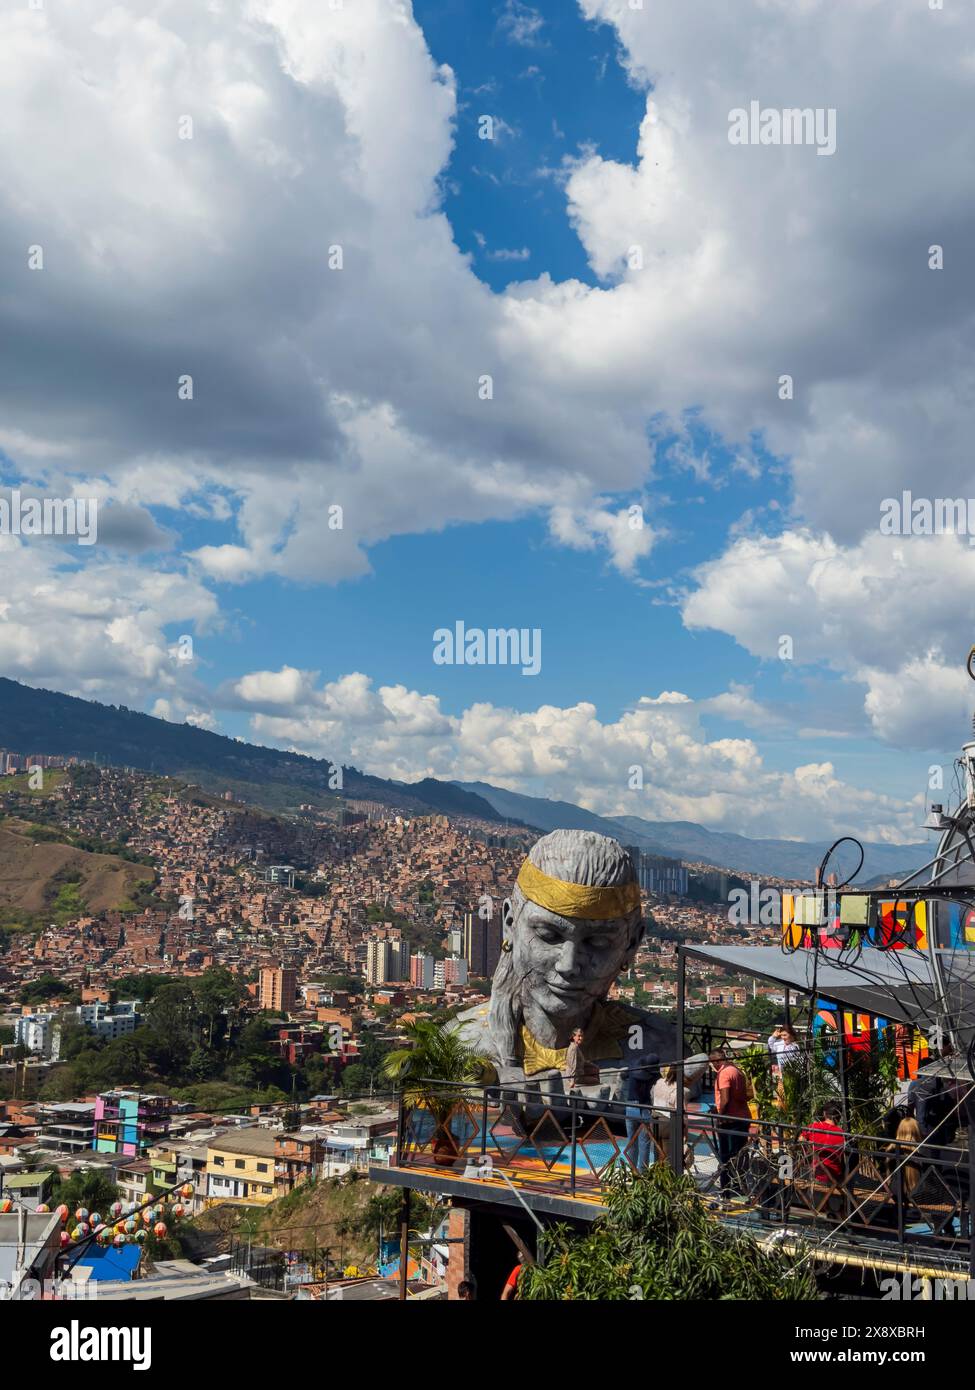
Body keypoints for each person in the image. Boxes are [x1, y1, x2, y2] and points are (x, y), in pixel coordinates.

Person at [709, 1049, 751, 1196]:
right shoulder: (737, 1070)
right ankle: (741, 1186)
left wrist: (720, 1117)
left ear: (716, 1061)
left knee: (725, 1157)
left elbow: (725, 1098)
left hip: (730, 1120)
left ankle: (726, 1189)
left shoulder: (724, 1073)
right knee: (739, 1154)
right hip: (742, 1117)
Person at [621, 1054, 659, 1170]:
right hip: (645, 1107)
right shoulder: (654, 1075)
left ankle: (632, 1169)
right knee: (644, 1141)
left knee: (631, 1140)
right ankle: (643, 1171)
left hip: (631, 1106)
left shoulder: (633, 1069)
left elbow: (623, 1075)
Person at [652, 1063, 693, 1167]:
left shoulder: (659, 1082)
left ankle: (656, 1178)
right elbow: (682, 1114)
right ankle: (668, 1180)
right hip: (668, 1123)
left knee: (658, 1152)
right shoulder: (679, 1089)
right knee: (668, 1156)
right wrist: (685, 1133)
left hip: (654, 1119)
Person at [800, 1102, 845, 1186]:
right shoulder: (843, 1134)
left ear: (824, 1113)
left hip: (814, 1175)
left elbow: (800, 1141)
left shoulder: (813, 1127)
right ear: (840, 1115)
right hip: (833, 1178)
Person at [562, 1028, 586, 1094]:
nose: (581, 1038)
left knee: (595, 1070)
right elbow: (573, 1065)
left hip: (578, 1073)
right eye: (579, 1036)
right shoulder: (574, 1048)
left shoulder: (575, 1046)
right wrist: (572, 1081)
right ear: (574, 1036)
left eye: (582, 1036)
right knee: (595, 1080)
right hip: (575, 1076)